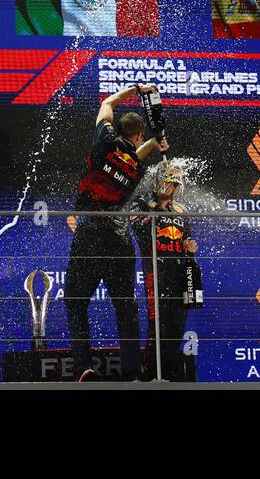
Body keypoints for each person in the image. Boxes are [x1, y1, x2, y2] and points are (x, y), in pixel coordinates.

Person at [66, 83, 169, 382]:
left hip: (89, 233)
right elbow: (133, 157)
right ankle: (132, 374)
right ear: (137, 136)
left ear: (119, 130)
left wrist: (136, 89)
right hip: (118, 237)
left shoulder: (104, 140)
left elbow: (109, 101)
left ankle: (84, 368)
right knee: (125, 308)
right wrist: (154, 143)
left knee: (75, 303)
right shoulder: (136, 168)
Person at [132, 164, 197, 381]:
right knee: (157, 325)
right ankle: (149, 375)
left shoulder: (180, 210)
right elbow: (139, 231)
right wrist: (158, 206)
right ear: (159, 181)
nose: (172, 189)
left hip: (179, 273)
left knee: (176, 326)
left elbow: (186, 237)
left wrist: (190, 247)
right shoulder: (142, 202)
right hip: (156, 272)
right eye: (169, 183)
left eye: (176, 185)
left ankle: (168, 373)